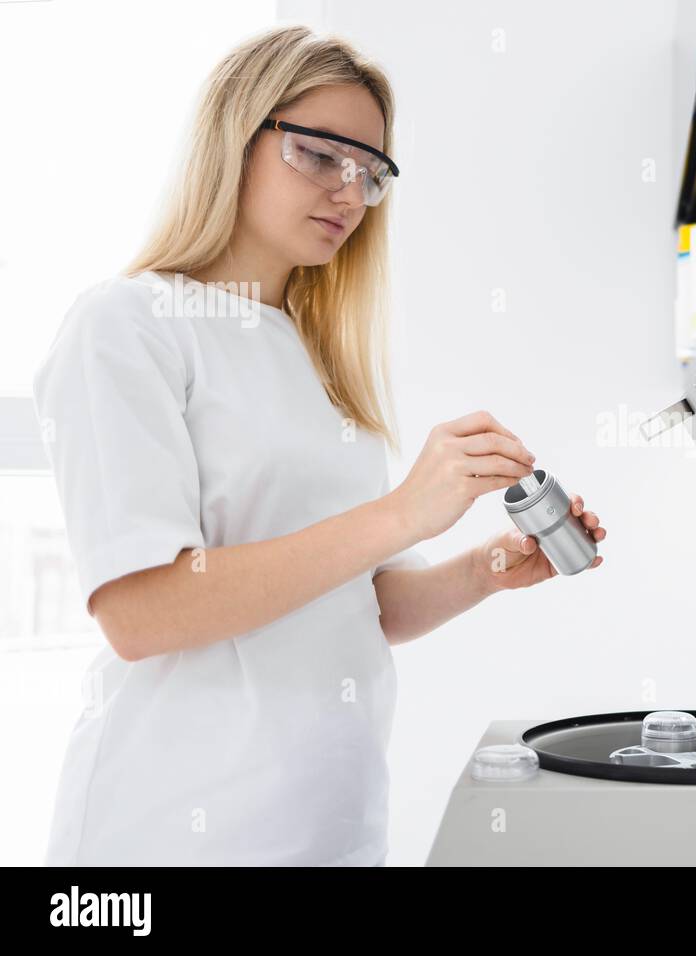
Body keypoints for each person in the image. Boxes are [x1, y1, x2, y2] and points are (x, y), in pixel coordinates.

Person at [32, 24, 605, 866]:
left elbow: (349, 608)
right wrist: (404, 512)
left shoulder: (314, 358)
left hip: (325, 831)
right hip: (173, 834)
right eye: (320, 155)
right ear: (236, 134)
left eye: (371, 173)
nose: (349, 190)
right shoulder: (127, 325)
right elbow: (142, 612)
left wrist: (484, 570)